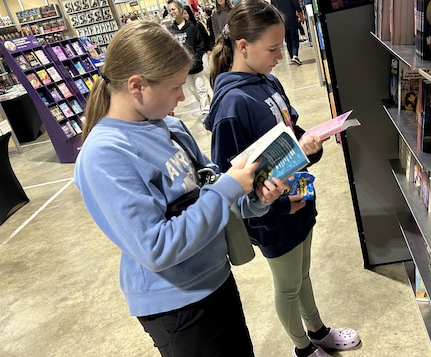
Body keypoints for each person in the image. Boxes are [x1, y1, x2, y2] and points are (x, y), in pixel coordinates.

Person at [73, 20, 284, 357]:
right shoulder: (106, 154)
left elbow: (212, 188)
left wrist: (255, 198)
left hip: (215, 278)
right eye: (174, 87)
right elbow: (155, 248)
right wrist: (228, 189)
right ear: (137, 86)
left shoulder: (169, 126)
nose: (182, 96)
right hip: (176, 304)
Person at [204, 1, 361, 356]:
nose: (280, 55)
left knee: (302, 272)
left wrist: (312, 144)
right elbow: (229, 182)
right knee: (288, 284)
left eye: (281, 46)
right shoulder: (232, 105)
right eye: (272, 48)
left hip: (297, 198)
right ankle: (303, 348)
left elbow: (292, 132)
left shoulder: (268, 82)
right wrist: (274, 210)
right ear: (243, 46)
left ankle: (316, 329)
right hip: (274, 216)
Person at [167, 0, 212, 117]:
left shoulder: (191, 27)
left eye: (173, 9)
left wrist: (196, 59)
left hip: (196, 66)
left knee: (201, 88)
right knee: (193, 90)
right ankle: (205, 102)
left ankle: (206, 112)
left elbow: (200, 44)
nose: (171, 12)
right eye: (170, 10)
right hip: (184, 68)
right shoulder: (171, 30)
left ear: (180, 10)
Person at [271, 0, 303, 65]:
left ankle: (292, 57)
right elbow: (295, 4)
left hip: (281, 20)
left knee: (287, 38)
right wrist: (300, 13)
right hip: (291, 18)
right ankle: (294, 55)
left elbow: (273, 8)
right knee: (294, 38)